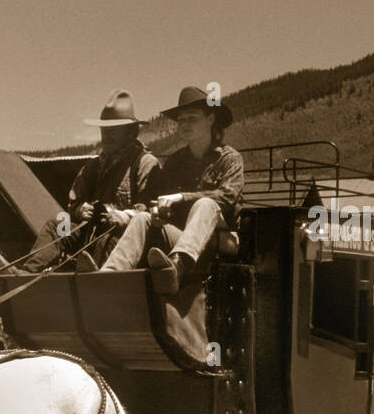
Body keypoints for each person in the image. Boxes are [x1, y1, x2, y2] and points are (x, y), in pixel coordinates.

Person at [101, 86, 245, 294]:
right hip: (184, 237)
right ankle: (108, 275)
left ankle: (176, 269)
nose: (184, 124)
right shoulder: (175, 162)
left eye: (192, 118)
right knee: (143, 219)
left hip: (222, 238)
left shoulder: (230, 159)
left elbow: (227, 197)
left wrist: (180, 197)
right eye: (181, 120)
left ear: (211, 119)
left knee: (205, 204)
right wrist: (159, 212)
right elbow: (159, 198)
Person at [21, 90, 159, 271]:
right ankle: (26, 273)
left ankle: (92, 278)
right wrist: (80, 209)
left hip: (122, 238)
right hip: (88, 233)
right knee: (55, 226)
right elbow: (74, 201)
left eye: (114, 130)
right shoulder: (93, 166)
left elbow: (149, 210)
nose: (107, 135)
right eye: (104, 129)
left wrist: (122, 216)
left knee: (107, 239)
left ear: (131, 132)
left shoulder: (145, 163)